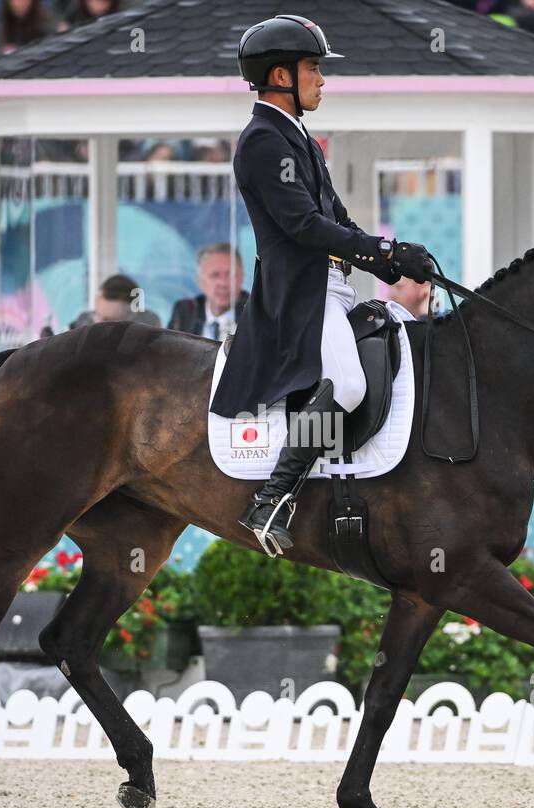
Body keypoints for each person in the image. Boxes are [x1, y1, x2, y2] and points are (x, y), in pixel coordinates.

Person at [209, 15, 435, 556]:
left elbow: (335, 220)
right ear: (279, 74)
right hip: (298, 297)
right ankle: (271, 500)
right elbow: (304, 227)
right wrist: (381, 250)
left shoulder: (298, 136)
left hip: (330, 287)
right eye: (312, 68)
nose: (321, 79)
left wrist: (389, 262)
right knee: (350, 386)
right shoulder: (264, 140)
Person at [170, 243, 249, 338]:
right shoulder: (185, 312)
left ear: (242, 277)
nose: (223, 283)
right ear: (200, 281)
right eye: (215, 275)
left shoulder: (255, 314)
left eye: (230, 275)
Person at [70, 274, 163, 330]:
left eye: (109, 320)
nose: (100, 323)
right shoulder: (84, 321)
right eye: (97, 315)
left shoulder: (148, 324)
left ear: (134, 314)